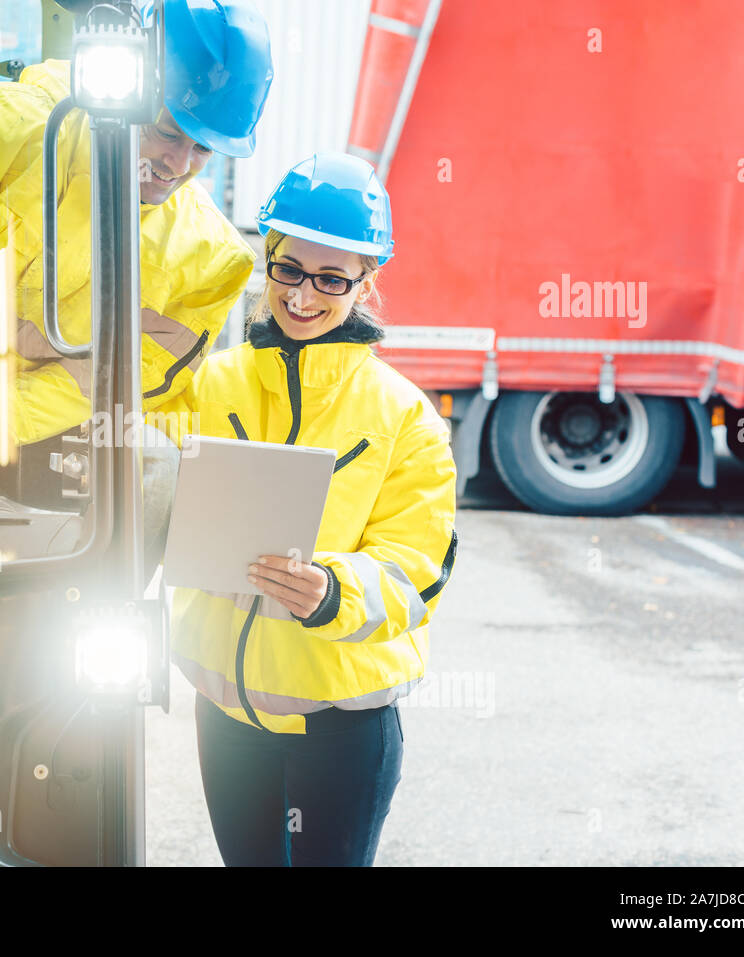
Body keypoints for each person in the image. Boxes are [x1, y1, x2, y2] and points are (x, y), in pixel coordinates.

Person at [168, 152, 459, 866]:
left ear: (366, 283)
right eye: (290, 269)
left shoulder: (405, 417)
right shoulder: (210, 383)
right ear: (266, 259)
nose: (303, 295)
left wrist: (334, 590)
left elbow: (417, 570)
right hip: (226, 713)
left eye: (332, 278)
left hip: (340, 726)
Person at [0, 0, 274, 453]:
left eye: (203, 148)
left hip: (23, 445)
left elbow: (120, 377)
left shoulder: (210, 260)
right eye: (166, 132)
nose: (178, 165)